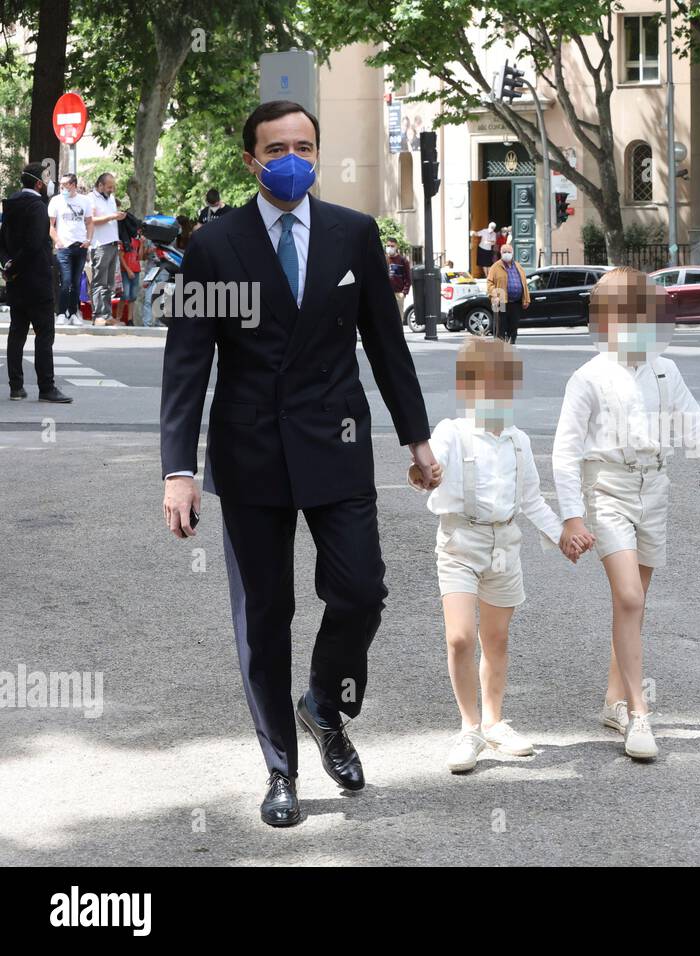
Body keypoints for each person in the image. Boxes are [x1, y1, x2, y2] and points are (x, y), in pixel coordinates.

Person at [159, 100, 439, 828]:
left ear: (318, 152)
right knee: (265, 618)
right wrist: (176, 469)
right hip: (249, 455)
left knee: (361, 591)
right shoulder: (216, 245)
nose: (293, 157)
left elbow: (385, 342)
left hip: (337, 443)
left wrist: (417, 436)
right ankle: (279, 770)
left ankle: (324, 705)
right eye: (277, 147)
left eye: (305, 145)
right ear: (250, 159)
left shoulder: (353, 235)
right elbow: (188, 360)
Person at [553, 267, 700, 760]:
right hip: (608, 490)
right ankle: (639, 714)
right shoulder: (588, 378)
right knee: (628, 596)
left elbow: (696, 431)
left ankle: (612, 700)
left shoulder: (665, 370)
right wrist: (573, 517)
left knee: (635, 601)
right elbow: (564, 452)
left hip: (654, 489)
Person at [424, 338, 569, 773]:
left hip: (505, 546)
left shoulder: (518, 441)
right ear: (467, 388)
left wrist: (563, 534)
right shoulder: (451, 432)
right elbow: (431, 465)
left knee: (497, 639)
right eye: (488, 385)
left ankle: (494, 721)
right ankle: (468, 727)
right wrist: (422, 473)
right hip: (459, 544)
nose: (498, 394)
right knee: (460, 637)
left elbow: (532, 500)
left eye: (506, 386)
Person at [3, 163, 72, 403]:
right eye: (48, 179)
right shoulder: (38, 208)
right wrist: (16, 266)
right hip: (37, 280)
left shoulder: (10, 204)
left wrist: (8, 267)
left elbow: (2, 242)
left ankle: (16, 387)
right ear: (39, 183)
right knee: (44, 334)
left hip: (16, 282)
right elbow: (34, 245)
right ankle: (46, 387)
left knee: (17, 332)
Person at [47, 173, 92, 327]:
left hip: (80, 245)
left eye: (65, 184)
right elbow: (50, 225)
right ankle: (61, 313)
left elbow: (89, 222)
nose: (62, 187)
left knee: (76, 281)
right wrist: (57, 241)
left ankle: (73, 312)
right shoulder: (56, 200)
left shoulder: (84, 201)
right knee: (65, 281)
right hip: (64, 247)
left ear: (73, 185)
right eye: (61, 184)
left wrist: (88, 240)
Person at [87, 172, 125, 326]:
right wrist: (112, 217)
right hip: (99, 244)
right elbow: (91, 220)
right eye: (109, 187)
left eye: (113, 187)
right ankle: (98, 315)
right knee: (99, 282)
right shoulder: (91, 198)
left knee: (109, 284)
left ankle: (107, 314)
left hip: (112, 243)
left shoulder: (110, 199)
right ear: (100, 185)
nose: (111, 190)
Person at [485, 241, 529, 343]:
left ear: (512, 253)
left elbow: (524, 283)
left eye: (508, 251)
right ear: (501, 253)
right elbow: (489, 282)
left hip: (516, 302)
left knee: (514, 325)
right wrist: (494, 294)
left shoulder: (518, 266)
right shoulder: (495, 267)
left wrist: (526, 299)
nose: (506, 253)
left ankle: (511, 342)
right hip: (501, 301)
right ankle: (500, 344)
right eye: (504, 251)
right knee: (501, 324)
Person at [385, 238, 411, 317]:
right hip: (386, 293)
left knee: (398, 317)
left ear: (396, 246)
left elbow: (408, 278)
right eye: (388, 245)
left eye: (392, 246)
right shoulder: (383, 259)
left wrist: (404, 292)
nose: (390, 247)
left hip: (398, 293)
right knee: (386, 317)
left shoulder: (403, 260)